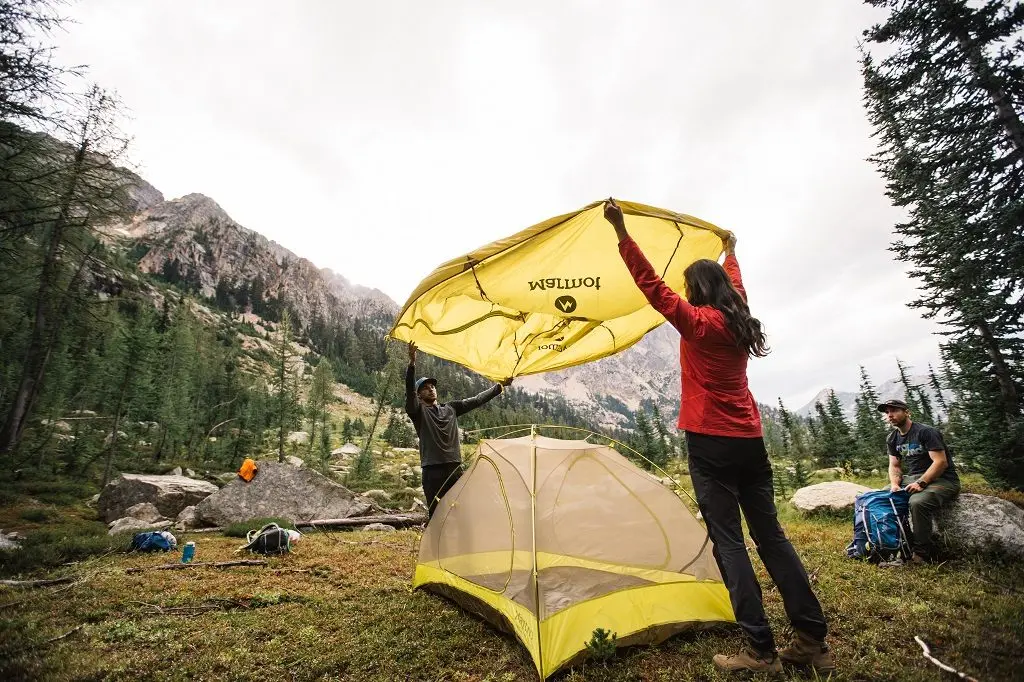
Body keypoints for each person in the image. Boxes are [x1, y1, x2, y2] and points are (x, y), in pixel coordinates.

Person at [603, 198, 834, 675]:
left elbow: (652, 287)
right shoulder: (740, 318)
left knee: (728, 543)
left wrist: (622, 233)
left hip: (709, 443)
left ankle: (760, 652)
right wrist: (732, 251)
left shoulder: (698, 323)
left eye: (689, 288)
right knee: (770, 536)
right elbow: (738, 284)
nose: (683, 293)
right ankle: (811, 637)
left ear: (696, 291)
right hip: (750, 440)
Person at [405, 342, 510, 519]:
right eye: (425, 388)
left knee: (461, 511)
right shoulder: (418, 412)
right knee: (436, 514)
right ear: (419, 395)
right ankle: (437, 546)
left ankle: (462, 545)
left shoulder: (451, 408)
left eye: (432, 386)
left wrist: (499, 387)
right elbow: (409, 390)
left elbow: (477, 400)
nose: (430, 389)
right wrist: (412, 363)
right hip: (432, 470)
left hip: (455, 468)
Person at [879, 399, 960, 562]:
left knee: (917, 502)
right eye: (887, 412)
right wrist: (895, 485)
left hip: (943, 479)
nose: (890, 415)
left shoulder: (926, 432)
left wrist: (921, 483)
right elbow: (894, 465)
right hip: (913, 477)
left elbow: (940, 462)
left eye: (894, 410)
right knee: (881, 497)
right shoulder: (892, 438)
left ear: (907, 412)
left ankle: (921, 554)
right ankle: (892, 546)